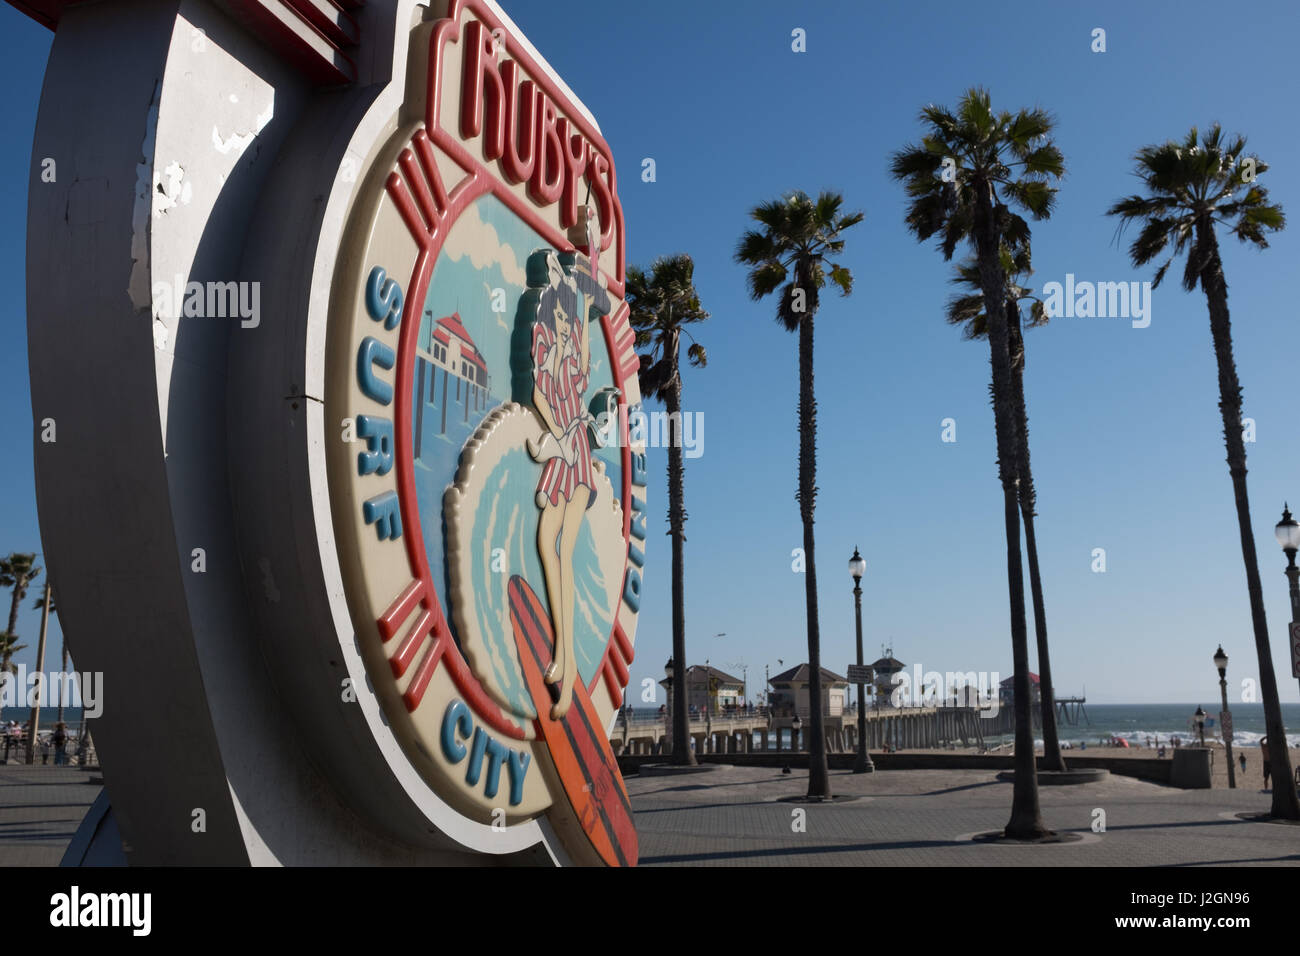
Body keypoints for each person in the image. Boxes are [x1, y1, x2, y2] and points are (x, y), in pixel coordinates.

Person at [526, 259, 594, 720]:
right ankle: (562, 655)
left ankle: (567, 671)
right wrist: (558, 438)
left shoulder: (574, 355)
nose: (564, 324)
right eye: (560, 317)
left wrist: (587, 307)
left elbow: (587, 359)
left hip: (578, 457)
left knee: (564, 550)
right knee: (544, 544)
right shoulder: (546, 349)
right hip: (563, 451)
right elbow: (537, 397)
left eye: (569, 318)